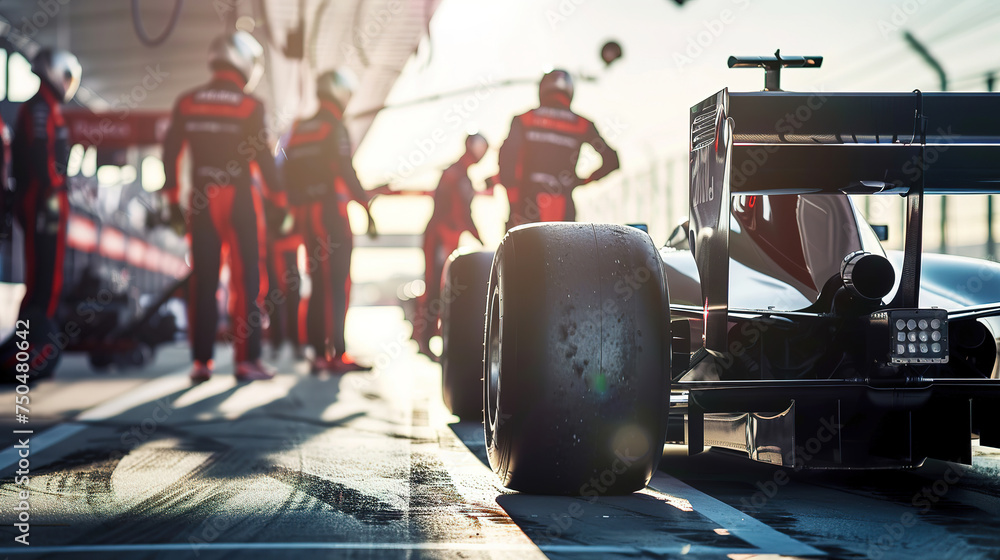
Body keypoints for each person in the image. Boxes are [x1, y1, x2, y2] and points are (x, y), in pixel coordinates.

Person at [161, 31, 284, 383]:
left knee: (204, 281)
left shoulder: (187, 101)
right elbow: (263, 158)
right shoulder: (250, 106)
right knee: (247, 281)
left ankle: (201, 363)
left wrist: (172, 201)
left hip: (201, 199)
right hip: (239, 199)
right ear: (243, 61)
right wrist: (279, 204)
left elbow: (170, 154)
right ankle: (247, 362)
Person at [283, 68, 375, 374]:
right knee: (337, 284)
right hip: (330, 214)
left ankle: (319, 353)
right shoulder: (334, 126)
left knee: (317, 281)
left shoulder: (299, 128)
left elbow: (286, 174)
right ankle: (336, 354)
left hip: (307, 216)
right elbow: (345, 170)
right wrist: (367, 208)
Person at [0, 49, 81, 380]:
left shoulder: (47, 106)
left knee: (47, 280)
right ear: (57, 71)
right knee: (42, 280)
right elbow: (40, 153)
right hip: (42, 201)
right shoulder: (40, 107)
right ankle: (27, 351)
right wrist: (52, 192)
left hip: (46, 200)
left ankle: (35, 348)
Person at [498, 69, 620, 229]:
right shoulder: (583, 124)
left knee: (521, 253)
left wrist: (514, 202)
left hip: (527, 205)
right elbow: (612, 160)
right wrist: (582, 180)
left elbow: (507, 158)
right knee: (562, 252)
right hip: (563, 205)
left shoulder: (524, 119)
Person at [415, 133, 489, 354]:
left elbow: (465, 214)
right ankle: (424, 338)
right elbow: (453, 210)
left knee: (442, 287)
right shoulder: (454, 174)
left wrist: (479, 237)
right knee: (434, 286)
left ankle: (429, 335)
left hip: (448, 238)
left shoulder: (462, 176)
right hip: (439, 237)